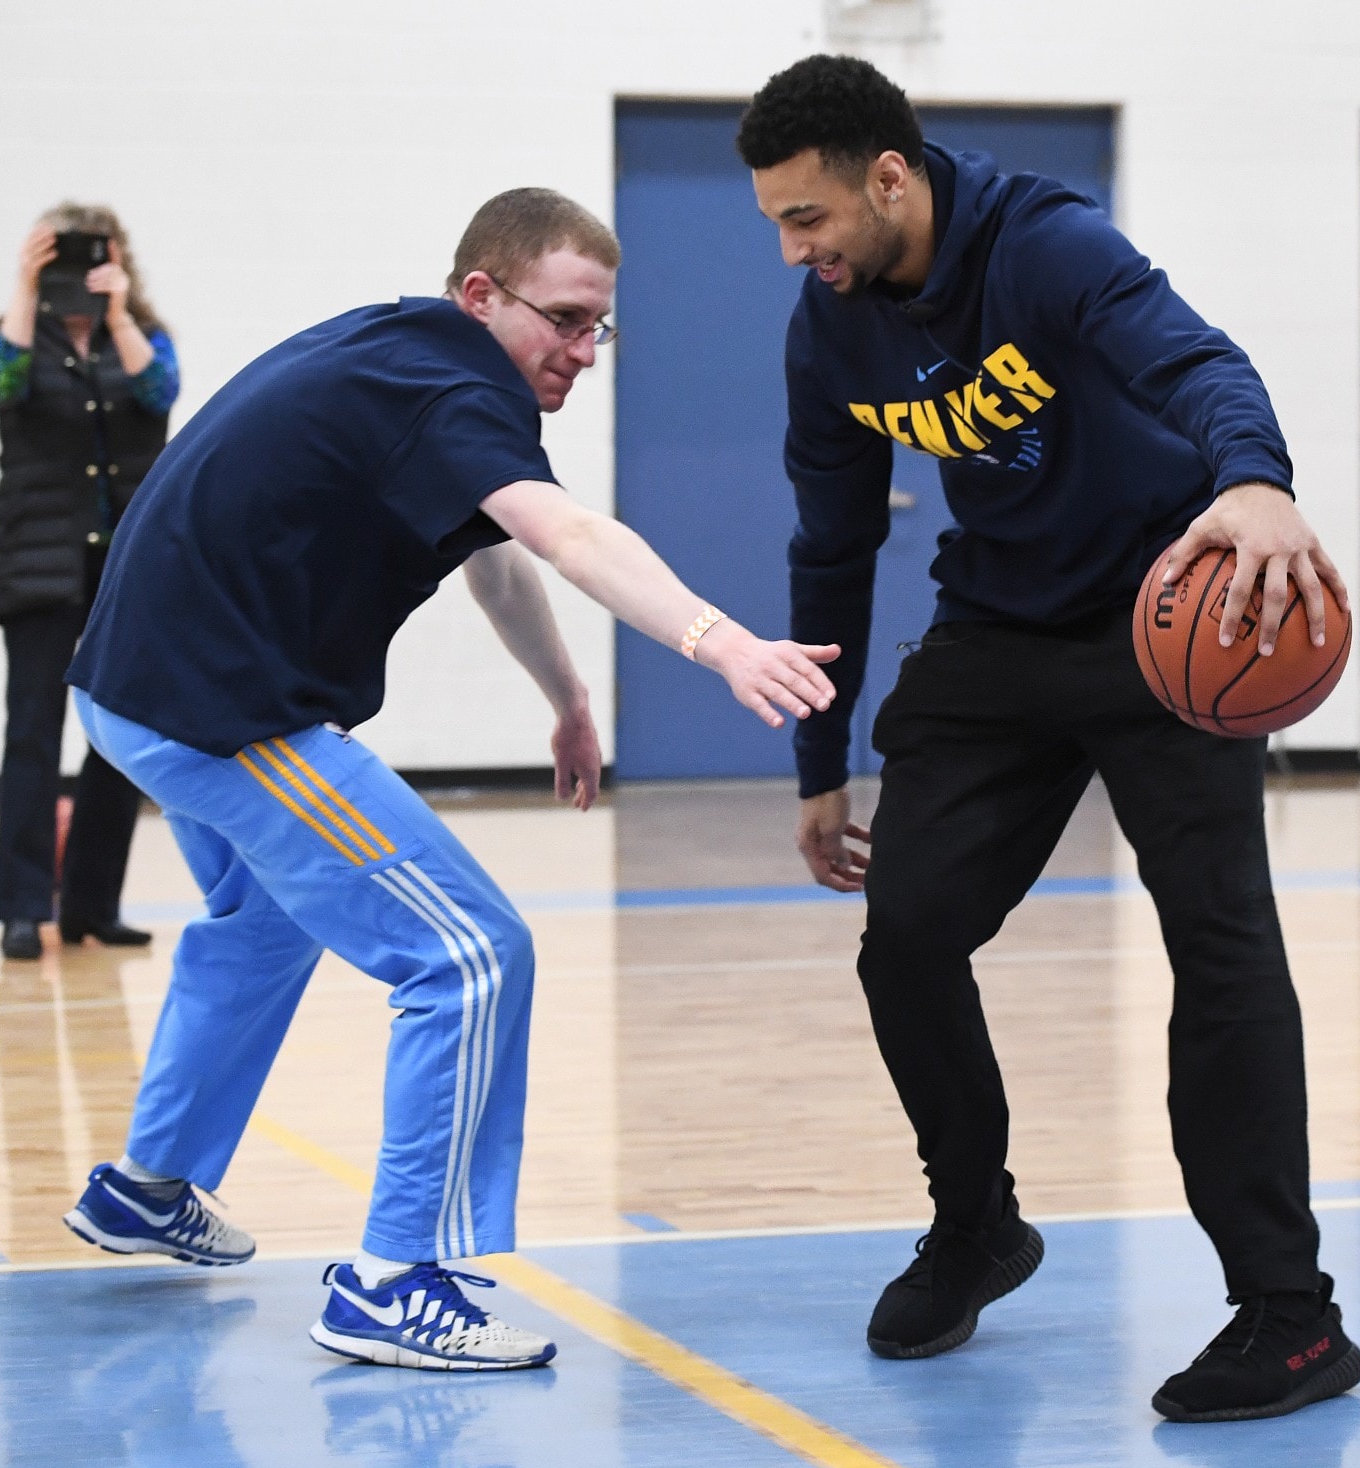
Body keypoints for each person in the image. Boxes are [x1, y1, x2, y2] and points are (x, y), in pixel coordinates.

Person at [58, 188, 838, 1371]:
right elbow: (569, 536)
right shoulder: (450, 392)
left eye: (597, 327)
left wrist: (566, 697)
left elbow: (494, 551)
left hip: (132, 688)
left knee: (264, 924)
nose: (582, 351)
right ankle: (393, 1280)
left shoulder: (403, 355)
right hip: (217, 708)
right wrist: (720, 642)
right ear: (482, 293)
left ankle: (147, 1185)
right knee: (469, 956)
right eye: (563, 321)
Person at [737, 56, 1360, 1422]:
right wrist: (818, 764)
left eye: (807, 218)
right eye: (778, 223)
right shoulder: (828, 330)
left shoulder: (1046, 243)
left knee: (1220, 944)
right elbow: (830, 544)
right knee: (905, 934)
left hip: (1161, 616)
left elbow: (1197, 363)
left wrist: (1255, 480)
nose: (794, 250)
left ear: (888, 179)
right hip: (1000, 623)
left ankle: (1289, 1314)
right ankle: (976, 1224)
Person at [0, 203, 177, 961]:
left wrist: (118, 313)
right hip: (37, 563)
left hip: (121, 567)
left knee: (119, 738)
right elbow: (7, 382)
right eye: (60, 255)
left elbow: (159, 393)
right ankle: (22, 909)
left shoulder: (143, 336)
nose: (78, 271)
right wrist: (25, 288)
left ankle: (94, 906)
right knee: (31, 735)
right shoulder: (19, 334)